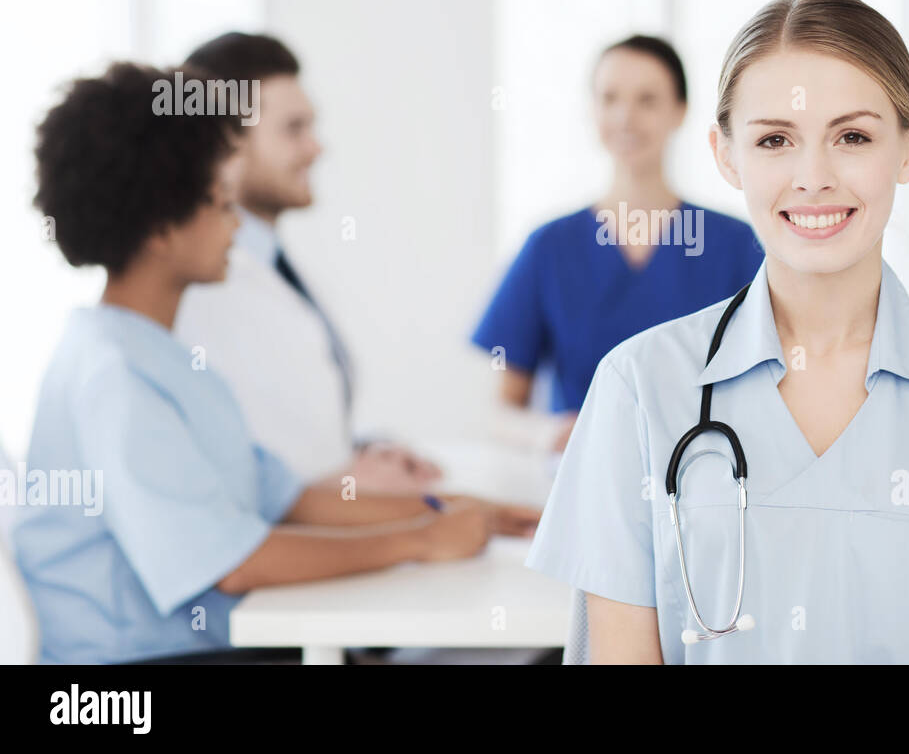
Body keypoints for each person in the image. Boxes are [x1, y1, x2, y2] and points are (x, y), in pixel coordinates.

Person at [524, 0, 909, 664]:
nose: (813, 178)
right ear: (726, 154)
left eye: (853, 137)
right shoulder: (636, 390)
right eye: (775, 140)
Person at [14, 63, 538, 664]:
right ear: (160, 228)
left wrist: (454, 509)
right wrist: (420, 540)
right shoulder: (116, 377)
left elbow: (289, 499)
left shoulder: (161, 357)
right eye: (219, 202)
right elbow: (231, 564)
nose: (236, 222)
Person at [472, 35, 764, 453]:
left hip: (702, 474)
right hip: (582, 474)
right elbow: (501, 409)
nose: (626, 117)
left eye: (647, 100)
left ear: (680, 111)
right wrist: (548, 433)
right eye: (610, 98)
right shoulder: (550, 247)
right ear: (592, 110)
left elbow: (773, 388)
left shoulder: (735, 245)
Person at [174, 33, 439, 492]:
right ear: (224, 142)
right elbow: (217, 468)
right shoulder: (195, 288)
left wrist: (361, 451)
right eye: (293, 129)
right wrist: (335, 486)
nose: (317, 148)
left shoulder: (275, 266)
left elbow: (282, 426)